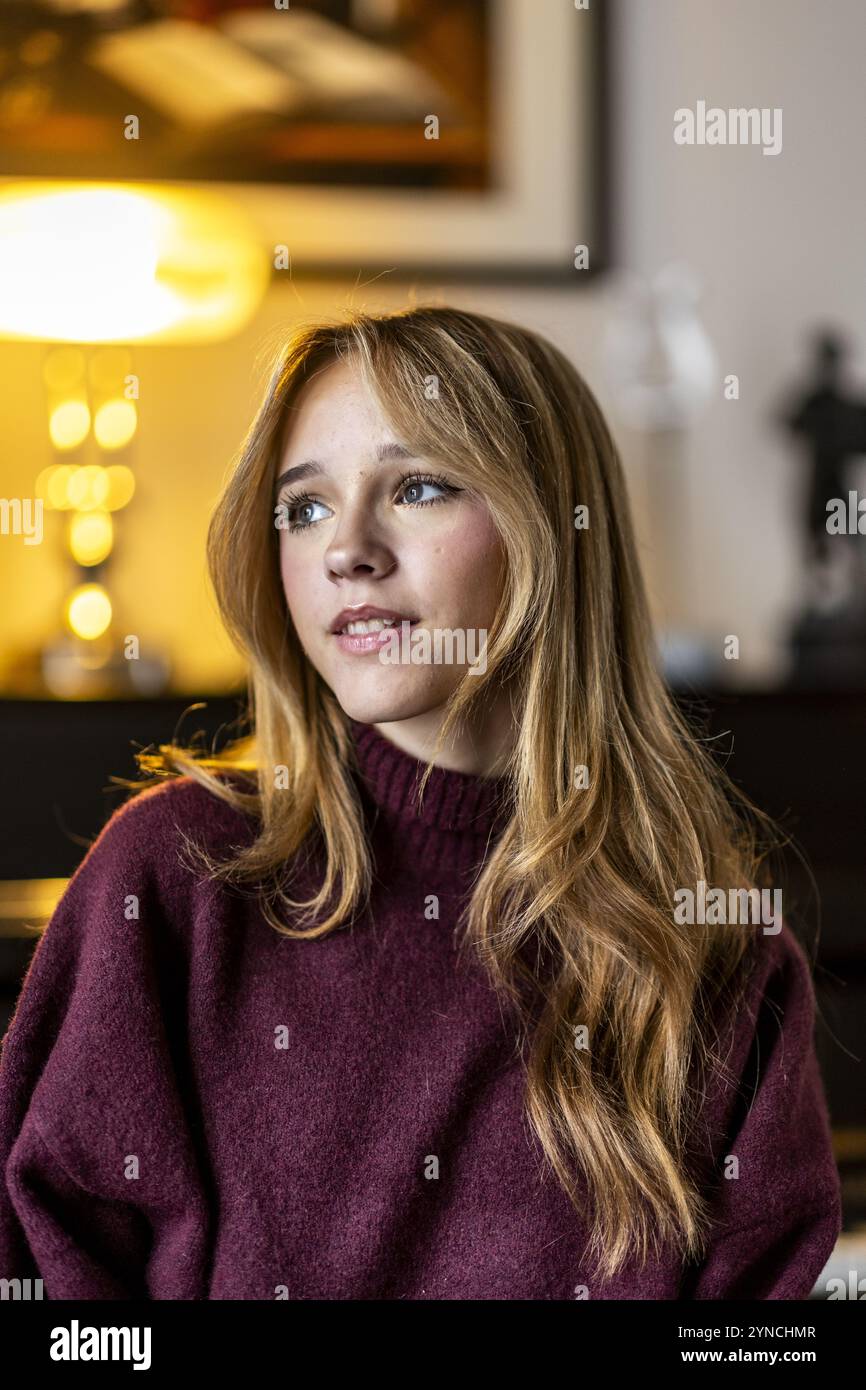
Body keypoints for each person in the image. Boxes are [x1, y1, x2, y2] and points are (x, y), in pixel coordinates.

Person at [0, 306, 841, 1299]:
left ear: (552, 534)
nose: (344, 549)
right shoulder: (174, 871)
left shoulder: (716, 948)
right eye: (302, 507)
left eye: (417, 487)